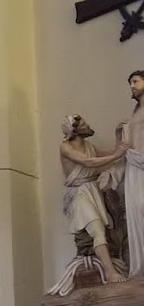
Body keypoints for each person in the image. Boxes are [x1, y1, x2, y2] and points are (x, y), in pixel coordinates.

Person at [59, 114, 127, 283]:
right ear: (74, 129)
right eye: (82, 122)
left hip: (92, 190)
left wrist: (118, 137)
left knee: (101, 231)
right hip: (80, 194)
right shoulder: (65, 147)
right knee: (96, 228)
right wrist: (116, 155)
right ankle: (111, 273)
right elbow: (89, 162)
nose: (87, 124)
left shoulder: (89, 145)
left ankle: (110, 269)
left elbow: (113, 152)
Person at [118, 70, 144, 279]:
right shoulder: (135, 112)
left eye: (135, 81)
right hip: (134, 165)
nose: (132, 86)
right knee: (136, 211)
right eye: (130, 83)